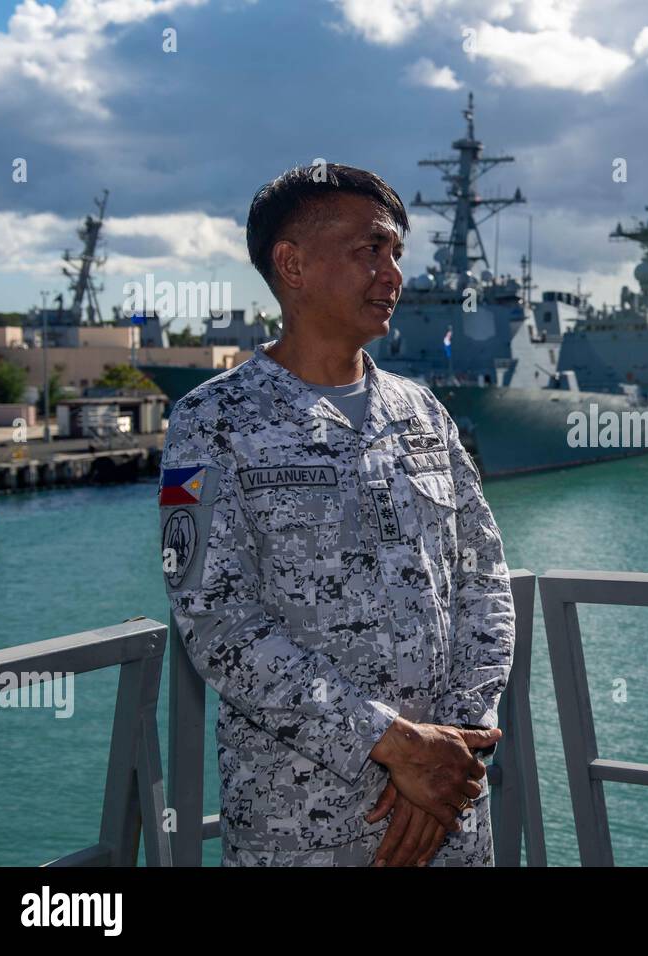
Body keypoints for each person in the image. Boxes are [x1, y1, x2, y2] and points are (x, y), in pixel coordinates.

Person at [159, 163, 514, 866]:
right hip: (302, 831)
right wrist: (394, 744)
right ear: (291, 264)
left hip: (448, 815)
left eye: (396, 254)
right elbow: (215, 620)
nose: (392, 274)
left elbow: (486, 581)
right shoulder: (206, 423)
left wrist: (457, 747)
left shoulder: (424, 414)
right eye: (370, 250)